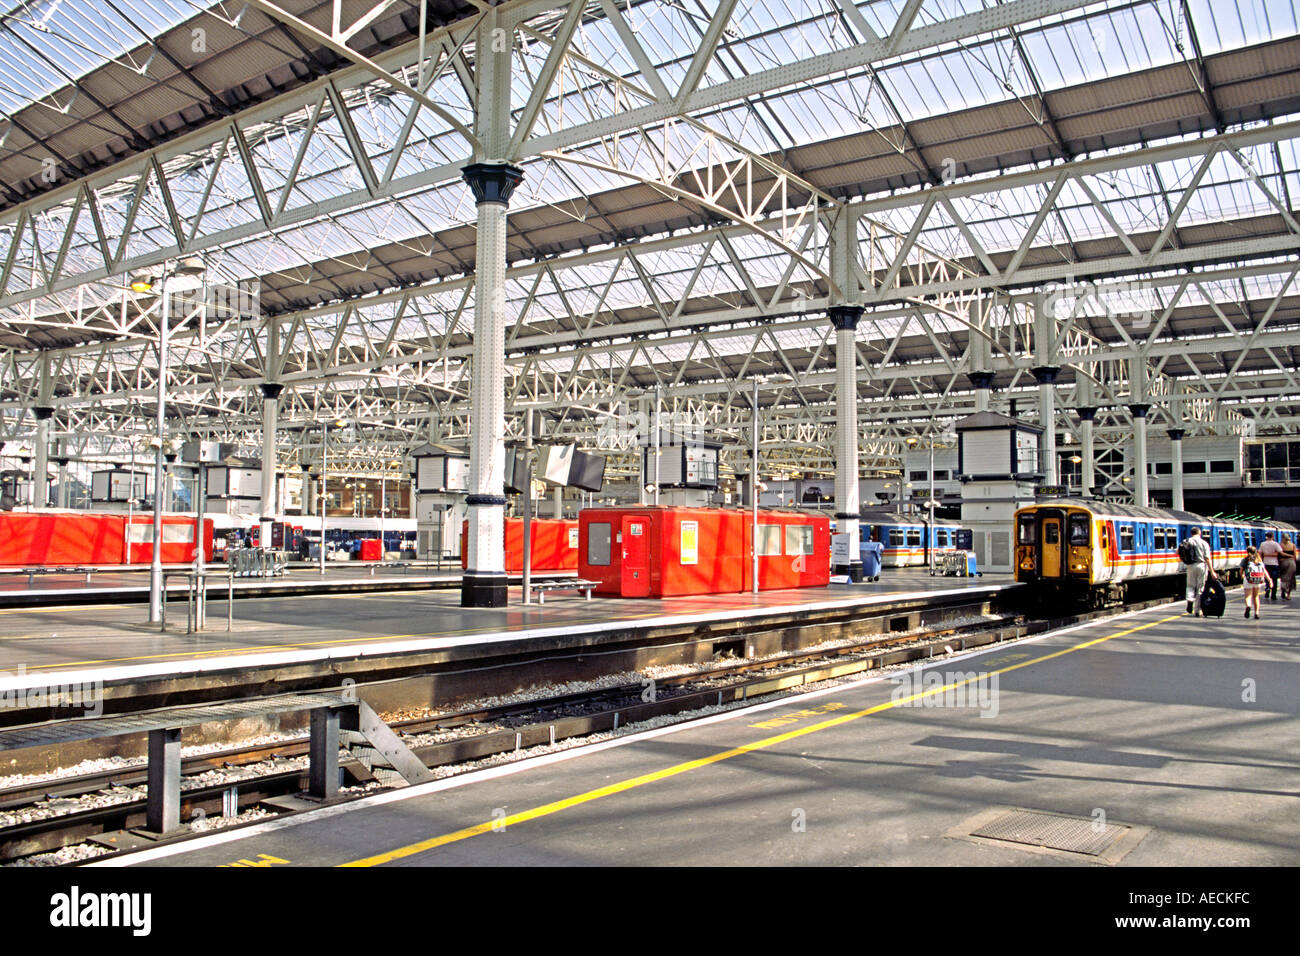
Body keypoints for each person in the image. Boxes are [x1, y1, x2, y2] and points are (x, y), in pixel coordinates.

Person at [1180, 527, 1216, 616]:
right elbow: (1207, 558)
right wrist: (1212, 571)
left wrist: (1185, 561)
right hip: (1201, 565)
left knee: (1190, 586)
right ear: (1199, 533)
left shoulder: (1185, 541)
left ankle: (1190, 600)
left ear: (1191, 533)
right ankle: (1197, 610)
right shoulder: (1204, 543)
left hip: (1190, 566)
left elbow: (1179, 552)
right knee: (1200, 588)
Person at [1241, 546, 1272, 619]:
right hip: (1257, 580)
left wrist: (1242, 576)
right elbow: (1264, 571)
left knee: (1248, 596)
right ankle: (1256, 613)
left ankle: (1248, 606)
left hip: (1248, 580)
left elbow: (1241, 571)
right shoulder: (1259, 560)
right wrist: (1269, 580)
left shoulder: (1245, 560)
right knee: (1256, 596)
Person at [1258, 531, 1282, 600]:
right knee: (1274, 579)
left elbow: (1259, 553)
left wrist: (1262, 559)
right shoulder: (1275, 544)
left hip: (1266, 563)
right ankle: (1273, 595)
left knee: (1267, 578)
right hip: (1274, 564)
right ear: (1273, 536)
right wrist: (1273, 554)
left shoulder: (1263, 544)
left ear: (1266, 536)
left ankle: (1267, 589)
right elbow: (1279, 552)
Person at [1279, 534, 1297, 601]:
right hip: (1291, 563)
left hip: (1282, 562)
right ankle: (1288, 595)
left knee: (1283, 577)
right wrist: (1294, 563)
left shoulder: (1280, 545)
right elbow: (1295, 556)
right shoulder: (1293, 545)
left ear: (1282, 538)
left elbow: (1279, 554)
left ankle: (1283, 589)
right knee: (1291, 579)